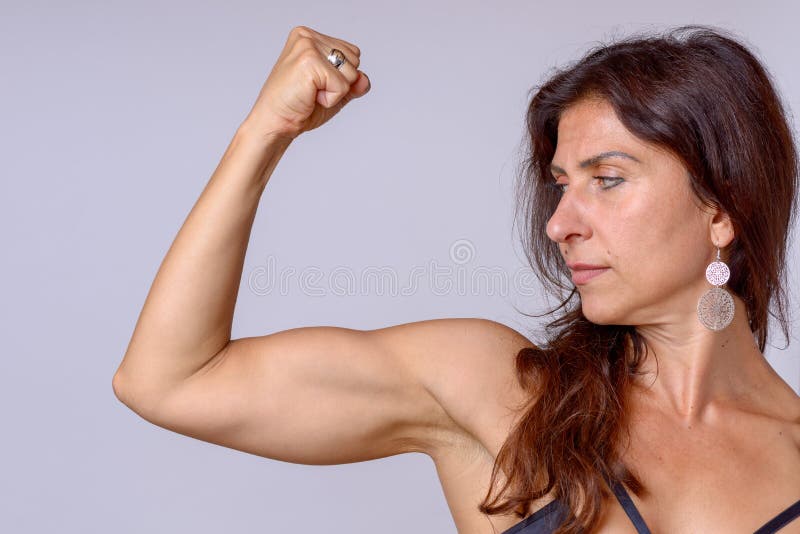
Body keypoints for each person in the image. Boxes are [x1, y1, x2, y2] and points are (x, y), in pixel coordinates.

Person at [112, 23, 800, 533]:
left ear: (721, 210)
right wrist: (265, 133)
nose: (561, 223)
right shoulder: (504, 392)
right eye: (561, 185)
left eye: (608, 180)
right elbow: (169, 381)